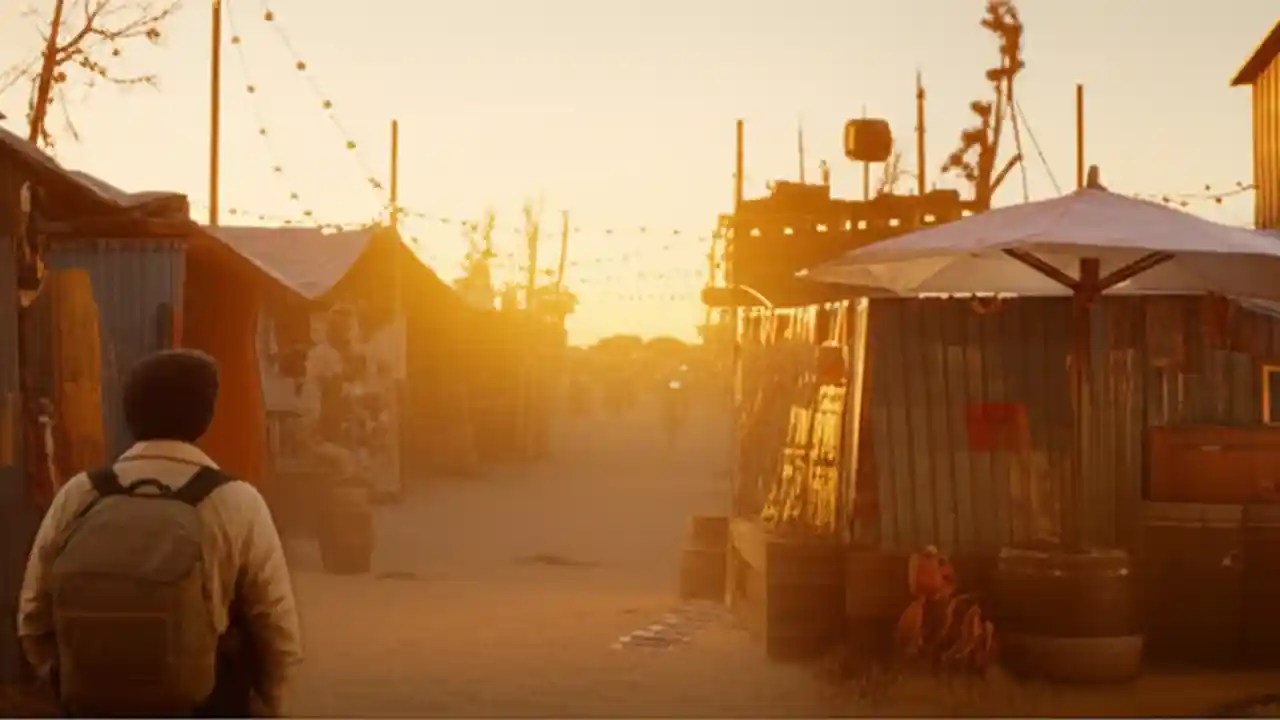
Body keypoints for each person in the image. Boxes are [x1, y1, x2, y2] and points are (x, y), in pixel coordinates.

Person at [16, 349, 303, 717]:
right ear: (206, 416)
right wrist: (269, 703)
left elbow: (33, 617)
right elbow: (276, 631)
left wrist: (70, 683)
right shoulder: (235, 501)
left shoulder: (80, 493)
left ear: (130, 413)